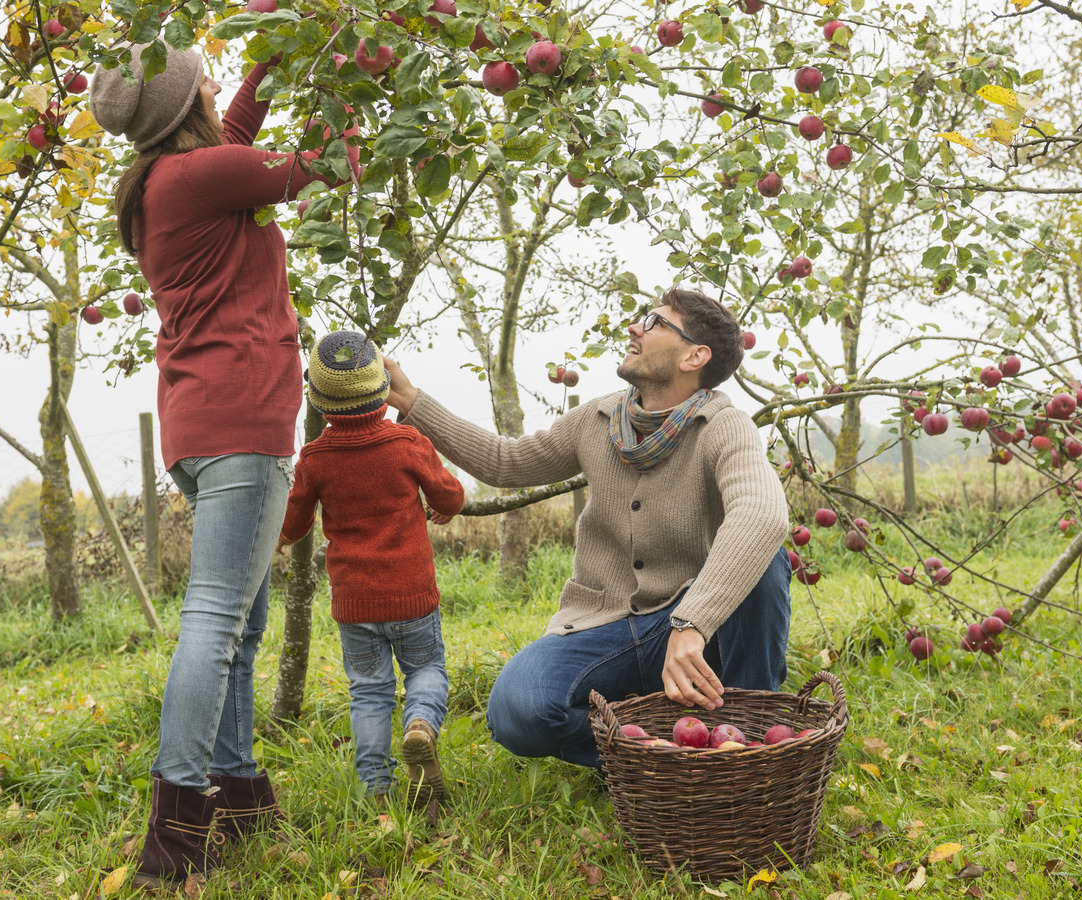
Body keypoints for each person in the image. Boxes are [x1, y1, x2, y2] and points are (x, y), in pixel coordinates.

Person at [89, 43, 360, 888]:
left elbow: (233, 132)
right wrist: (343, 74)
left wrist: (278, 58)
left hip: (200, 425)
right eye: (203, 76)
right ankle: (176, 826)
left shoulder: (164, 180)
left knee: (239, 626)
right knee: (216, 620)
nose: (215, 82)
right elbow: (321, 165)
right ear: (182, 104)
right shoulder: (204, 177)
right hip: (243, 418)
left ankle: (239, 795)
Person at [383, 288, 792, 768]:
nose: (634, 328)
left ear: (694, 356)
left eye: (655, 323)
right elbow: (505, 461)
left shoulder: (724, 424)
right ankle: (655, 753)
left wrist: (692, 622)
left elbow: (763, 513)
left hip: (689, 619)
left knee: (765, 558)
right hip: (603, 623)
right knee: (517, 711)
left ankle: (747, 741)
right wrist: (412, 402)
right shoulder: (597, 418)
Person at [277, 331, 466, 808]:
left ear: (318, 402)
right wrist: (439, 504)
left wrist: (279, 539)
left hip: (354, 602)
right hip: (412, 595)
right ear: (383, 388)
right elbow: (451, 496)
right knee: (425, 668)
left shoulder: (315, 458)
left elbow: (295, 522)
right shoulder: (407, 442)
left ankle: (376, 789)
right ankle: (421, 723)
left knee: (368, 693)